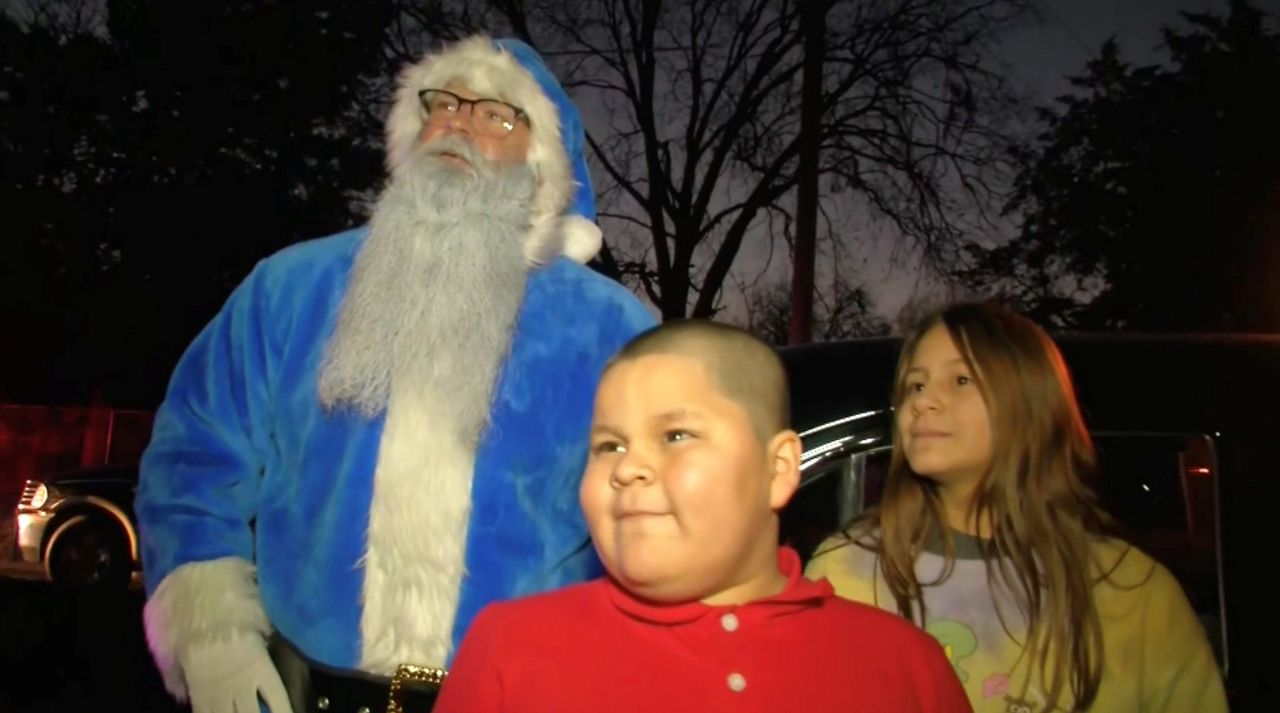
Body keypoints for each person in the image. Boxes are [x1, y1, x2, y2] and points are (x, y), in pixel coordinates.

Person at [134, 34, 656, 713]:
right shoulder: (291, 288)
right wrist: (212, 637)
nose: (460, 123)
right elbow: (194, 455)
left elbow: (651, 515)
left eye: (497, 113)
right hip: (301, 694)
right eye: (444, 103)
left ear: (542, 165)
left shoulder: (611, 330)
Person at [433, 320, 972, 713]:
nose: (630, 468)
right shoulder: (509, 648)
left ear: (778, 467)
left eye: (675, 436)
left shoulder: (905, 668)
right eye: (609, 446)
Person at [805, 301, 1228, 712]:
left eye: (962, 380)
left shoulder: (1135, 594)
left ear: (1029, 403)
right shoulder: (845, 573)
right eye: (915, 385)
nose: (923, 402)